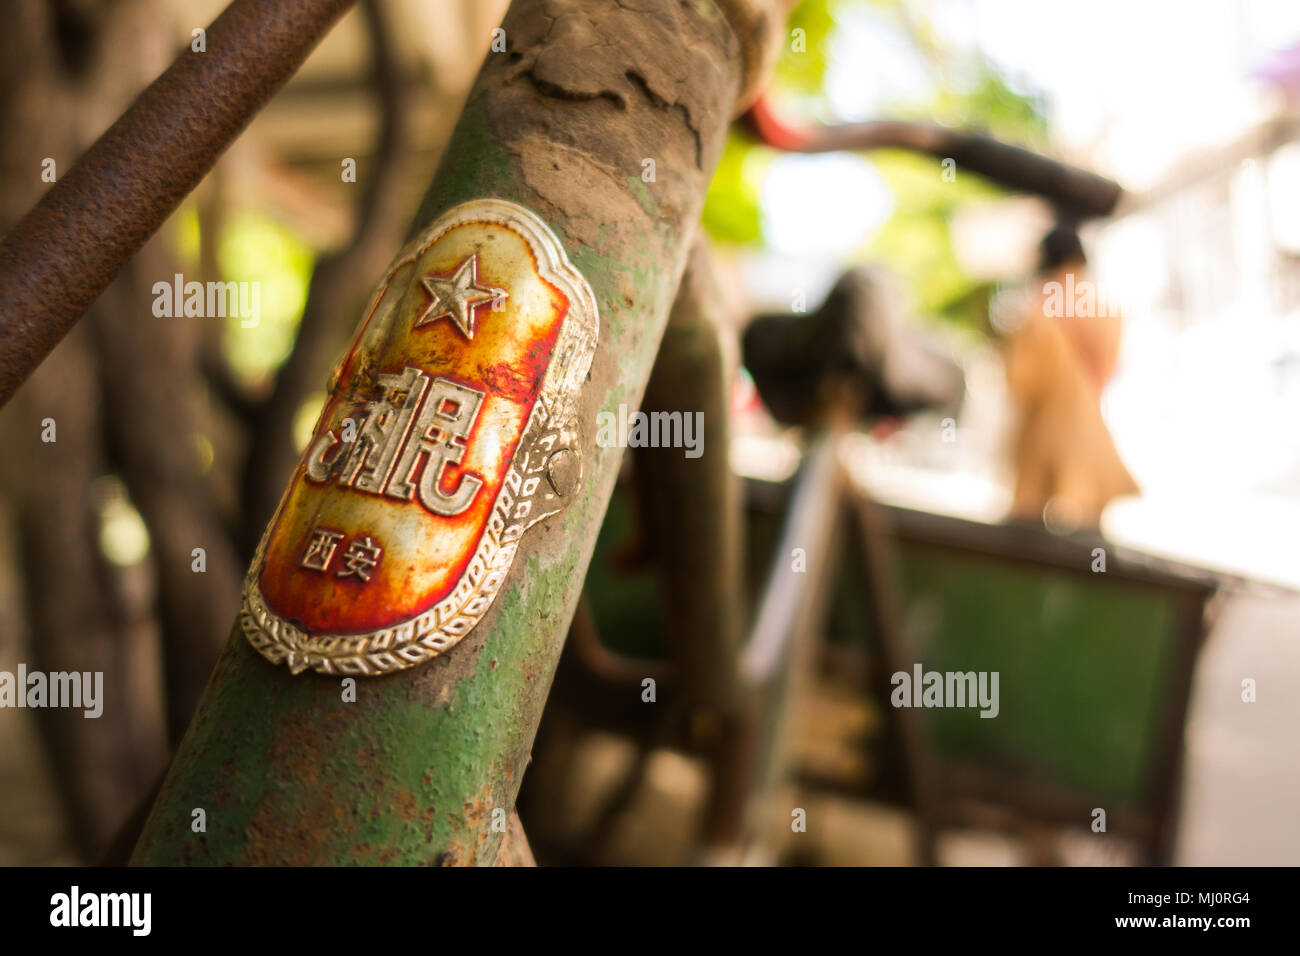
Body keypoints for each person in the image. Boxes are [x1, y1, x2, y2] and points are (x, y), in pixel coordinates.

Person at [1001, 222, 1139, 529]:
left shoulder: (1035, 308)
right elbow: (1111, 363)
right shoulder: (1103, 305)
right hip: (1090, 422)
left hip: (1043, 428)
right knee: (1092, 523)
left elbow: (1023, 381)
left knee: (1029, 520)